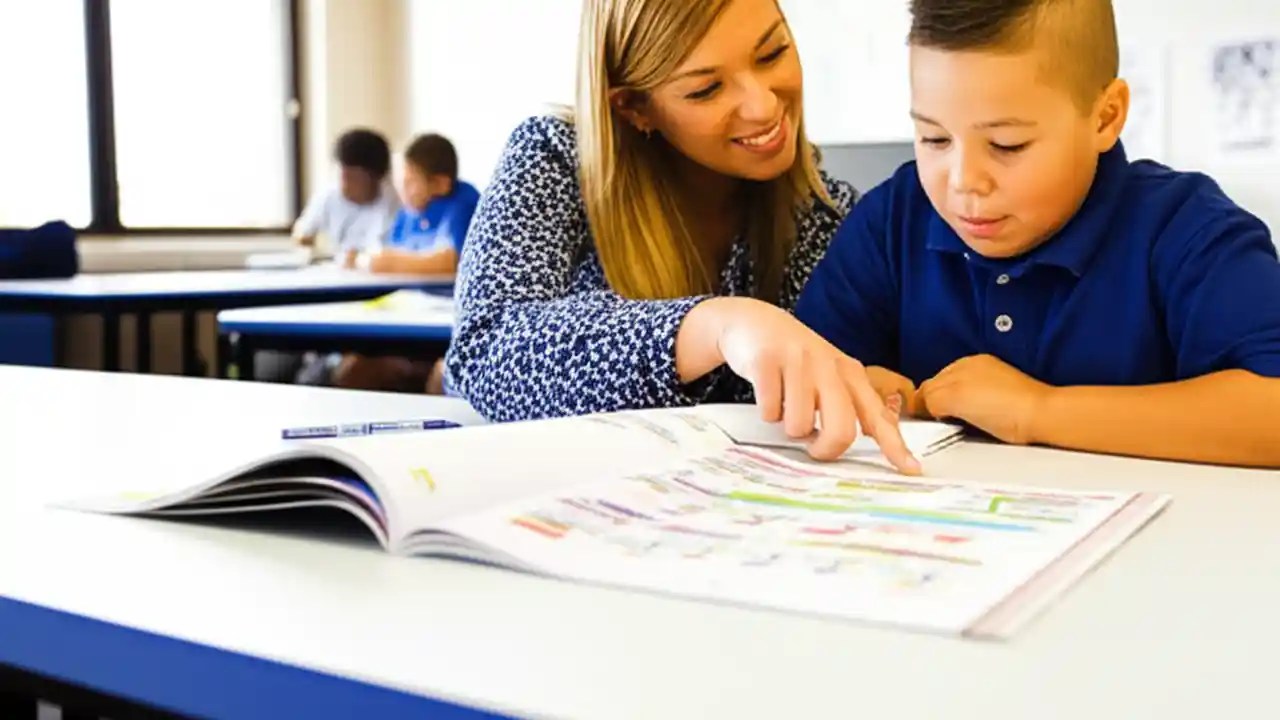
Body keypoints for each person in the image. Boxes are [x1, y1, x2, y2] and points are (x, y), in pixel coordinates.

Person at [795, 0, 1280, 467]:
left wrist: (1038, 411)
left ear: (1106, 116)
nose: (963, 181)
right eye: (934, 138)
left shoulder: (1186, 228)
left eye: (1007, 144)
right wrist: (851, 388)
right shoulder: (893, 220)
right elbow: (796, 370)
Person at [443, 0, 918, 471]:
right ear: (634, 108)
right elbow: (485, 352)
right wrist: (714, 326)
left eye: (772, 53)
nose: (763, 106)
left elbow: (861, 372)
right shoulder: (556, 157)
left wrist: (882, 388)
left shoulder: (829, 212)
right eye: (706, 89)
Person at [335, 134, 481, 394]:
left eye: (411, 181)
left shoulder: (463, 203)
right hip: (407, 314)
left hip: (447, 325)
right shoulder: (409, 212)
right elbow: (386, 254)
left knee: (441, 376)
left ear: (440, 183)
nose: (403, 189)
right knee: (353, 369)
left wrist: (389, 261)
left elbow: (450, 261)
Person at [292, 128, 401, 256]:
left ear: (377, 178)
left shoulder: (396, 205)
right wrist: (306, 245)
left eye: (352, 178)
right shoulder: (329, 195)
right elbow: (302, 232)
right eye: (343, 176)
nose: (345, 185)